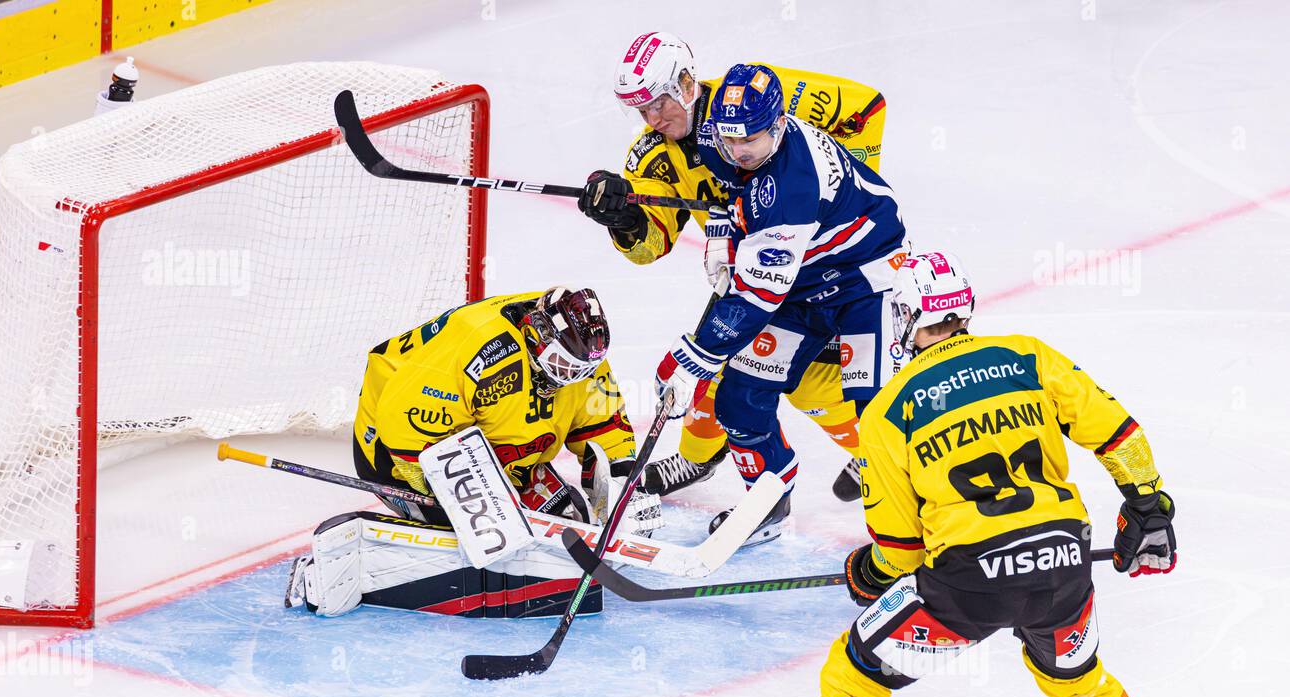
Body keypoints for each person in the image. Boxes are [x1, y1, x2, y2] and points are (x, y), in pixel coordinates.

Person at [819, 251, 1176, 697]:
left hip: (967, 585)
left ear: (906, 317)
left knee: (850, 681)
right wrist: (1148, 508)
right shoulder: (1027, 357)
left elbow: (900, 550)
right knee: (1079, 683)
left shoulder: (888, 408)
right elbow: (1119, 433)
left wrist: (868, 572)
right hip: (1063, 564)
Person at [579, 32, 891, 501]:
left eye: (660, 102)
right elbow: (649, 245)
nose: (653, 119)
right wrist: (622, 215)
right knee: (724, 364)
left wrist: (838, 187)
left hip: (828, 261)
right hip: (755, 264)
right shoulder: (654, 155)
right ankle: (700, 457)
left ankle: (882, 454)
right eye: (641, 110)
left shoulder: (751, 97)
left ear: (685, 83)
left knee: (815, 382)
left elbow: (864, 107)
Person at [285, 287, 661, 619]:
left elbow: (603, 422)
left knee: (563, 543)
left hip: (509, 460)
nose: (570, 378)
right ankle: (333, 570)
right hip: (404, 453)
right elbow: (405, 429)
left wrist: (623, 480)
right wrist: (461, 502)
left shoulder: (576, 348)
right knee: (486, 542)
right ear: (538, 337)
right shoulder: (480, 350)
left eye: (580, 370)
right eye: (563, 368)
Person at [652, 63, 909, 544]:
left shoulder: (793, 185)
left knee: (876, 411)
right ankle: (767, 502)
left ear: (779, 124)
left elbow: (758, 295)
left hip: (864, 280)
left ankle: (912, 524)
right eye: (729, 141)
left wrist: (694, 356)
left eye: (749, 141)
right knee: (739, 397)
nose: (737, 152)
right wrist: (723, 231)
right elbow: (732, 188)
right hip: (803, 277)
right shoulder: (721, 136)